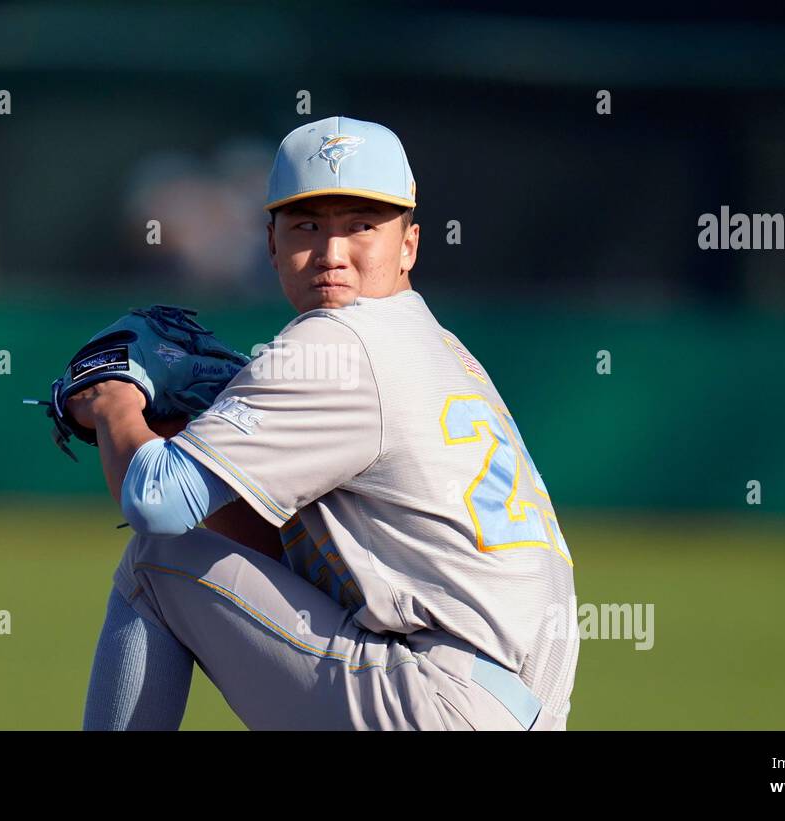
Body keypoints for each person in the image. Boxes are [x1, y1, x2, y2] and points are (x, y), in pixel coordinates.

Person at [72, 115, 578, 730]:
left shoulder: (339, 343)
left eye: (361, 226)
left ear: (409, 244)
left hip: (435, 700)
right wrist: (199, 438)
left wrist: (112, 401)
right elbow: (271, 545)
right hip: (512, 708)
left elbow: (156, 500)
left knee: (153, 563)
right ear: (272, 244)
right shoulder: (444, 351)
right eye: (308, 226)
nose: (332, 253)